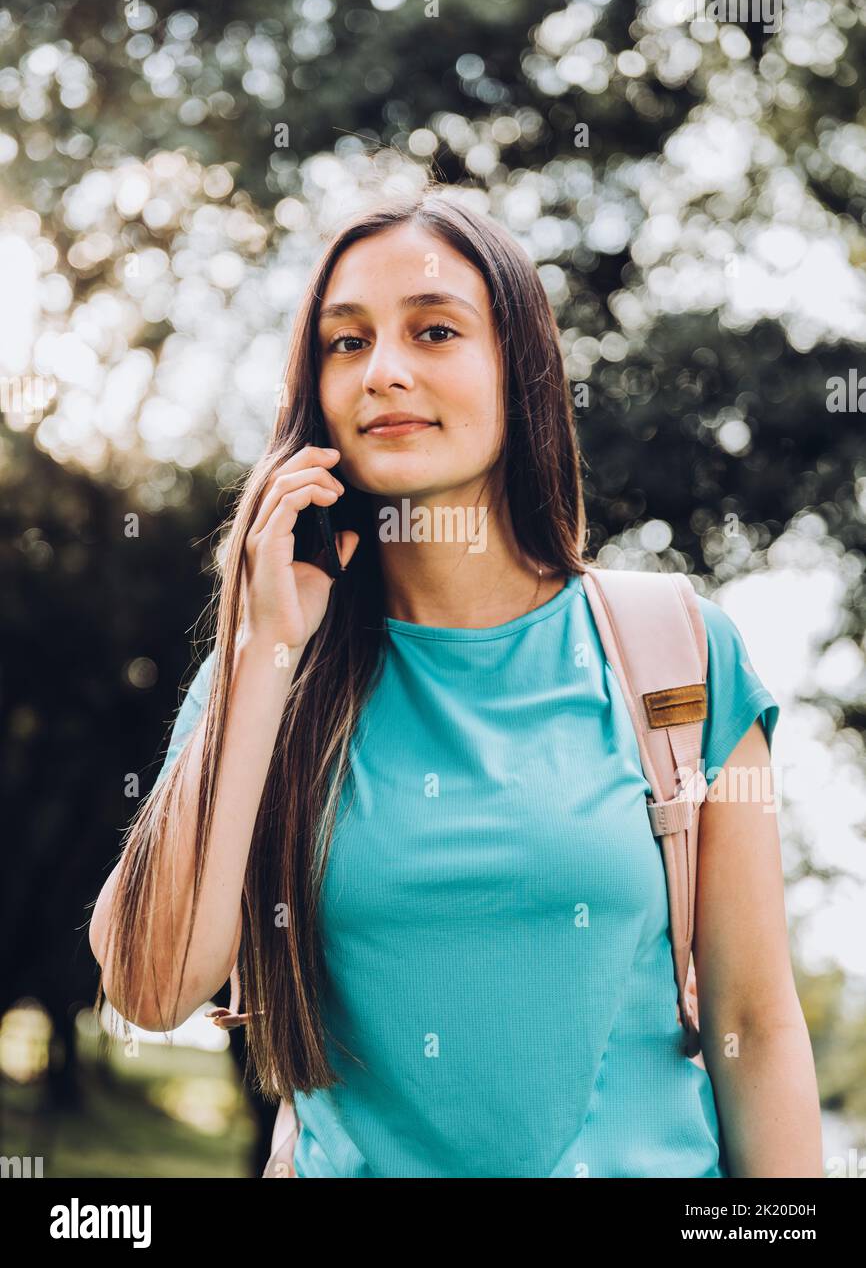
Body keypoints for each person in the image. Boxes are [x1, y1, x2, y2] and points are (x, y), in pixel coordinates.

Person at [89, 187, 822, 1178]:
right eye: (345, 344)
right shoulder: (268, 669)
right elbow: (150, 984)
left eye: (433, 331)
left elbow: (752, 1022)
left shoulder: (681, 653)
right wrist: (263, 647)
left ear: (516, 372)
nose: (382, 371)